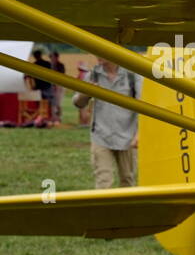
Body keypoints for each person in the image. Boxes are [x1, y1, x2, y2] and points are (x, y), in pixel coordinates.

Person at [73, 58, 141, 188]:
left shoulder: (132, 76)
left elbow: (143, 107)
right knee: (104, 181)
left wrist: (139, 134)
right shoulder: (92, 75)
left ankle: (124, 208)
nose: (99, 55)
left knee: (127, 180)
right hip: (101, 136)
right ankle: (104, 209)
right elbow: (77, 102)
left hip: (127, 137)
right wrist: (86, 92)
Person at [46, 50, 66, 124]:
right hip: (51, 86)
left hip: (59, 86)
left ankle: (58, 118)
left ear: (57, 57)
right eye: (51, 57)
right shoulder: (49, 65)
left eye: (53, 57)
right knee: (52, 104)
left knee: (58, 103)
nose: (52, 59)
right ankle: (53, 118)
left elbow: (61, 76)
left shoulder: (60, 65)